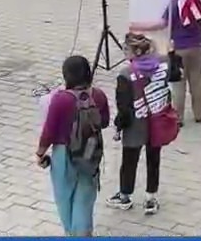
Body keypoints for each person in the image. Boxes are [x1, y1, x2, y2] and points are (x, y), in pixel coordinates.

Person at [36, 56, 110, 235]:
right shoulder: (98, 95)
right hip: (90, 151)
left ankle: (71, 232)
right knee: (85, 195)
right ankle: (84, 231)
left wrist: (40, 154)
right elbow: (105, 122)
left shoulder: (61, 99)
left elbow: (49, 132)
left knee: (64, 196)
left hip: (63, 153)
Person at [106, 34, 171, 214]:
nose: (124, 52)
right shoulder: (164, 62)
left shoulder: (126, 75)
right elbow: (174, 77)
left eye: (126, 49)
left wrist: (119, 126)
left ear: (137, 51)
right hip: (158, 120)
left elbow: (124, 108)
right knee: (153, 160)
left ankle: (125, 196)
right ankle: (151, 198)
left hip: (136, 124)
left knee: (129, 161)